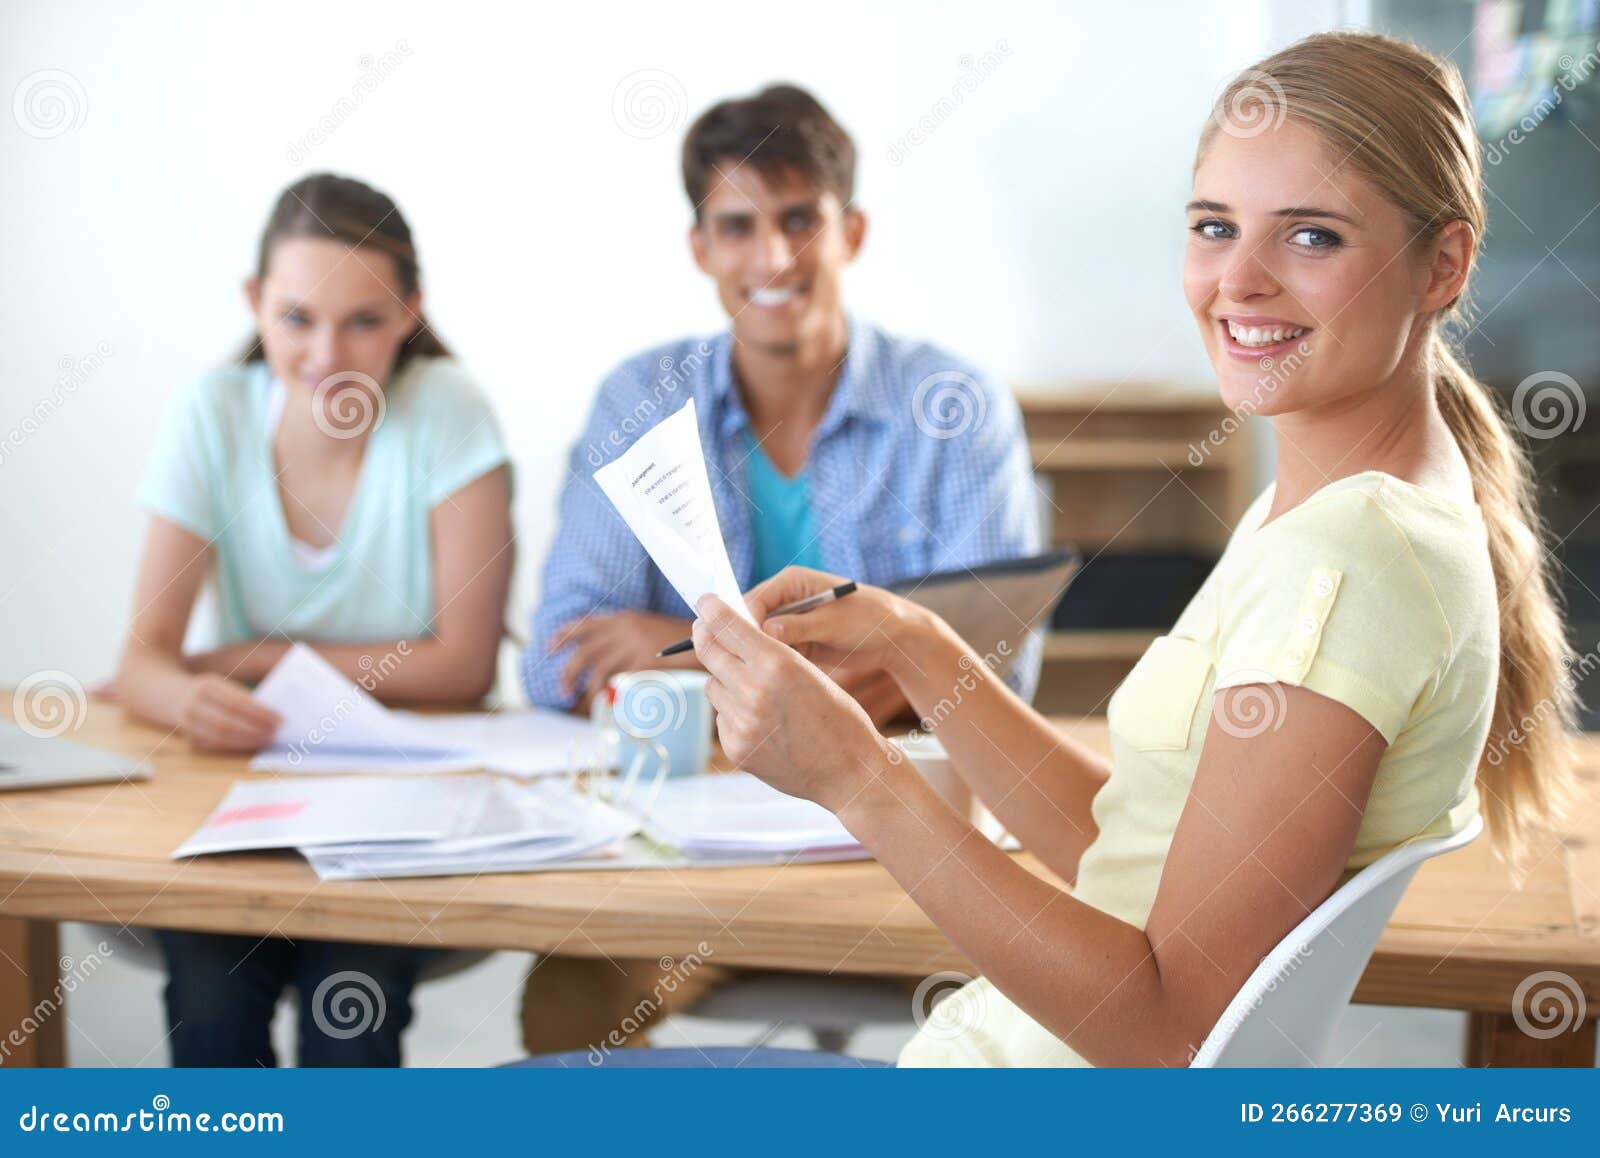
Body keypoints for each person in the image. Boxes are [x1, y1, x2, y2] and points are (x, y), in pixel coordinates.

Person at [520, 30, 1578, 1068]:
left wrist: (856, 774)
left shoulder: (1349, 562)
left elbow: (1174, 1038)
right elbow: (1126, 856)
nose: (1239, 281)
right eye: (1214, 226)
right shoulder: (1332, 523)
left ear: (1442, 264)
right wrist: (917, 644)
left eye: (1311, 237)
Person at [517, 84, 1042, 1054]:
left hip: (910, 855)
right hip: (686, 861)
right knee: (569, 1005)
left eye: (799, 220)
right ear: (700, 248)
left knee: (1042, 1017)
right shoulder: (638, 398)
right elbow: (561, 660)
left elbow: (990, 670)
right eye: (739, 225)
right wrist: (872, 666)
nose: (772, 257)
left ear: (851, 229)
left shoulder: (954, 405)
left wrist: (671, 652)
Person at [116, 173, 514, 1066]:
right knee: (211, 1013)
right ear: (256, 303)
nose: (328, 352)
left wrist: (254, 656)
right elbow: (140, 661)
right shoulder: (210, 414)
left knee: (352, 1027)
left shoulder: (447, 410)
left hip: (400, 804)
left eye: (363, 321)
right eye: (297, 318)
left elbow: (462, 665)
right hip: (252, 795)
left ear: (411, 311)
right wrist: (188, 699)